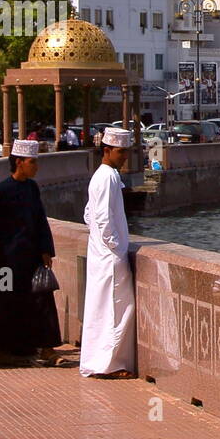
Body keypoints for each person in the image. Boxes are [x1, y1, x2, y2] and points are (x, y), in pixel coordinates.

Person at [0, 139, 63, 366]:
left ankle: (47, 349)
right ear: (19, 162)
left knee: (42, 300)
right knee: (9, 303)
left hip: (31, 261)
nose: (36, 167)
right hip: (6, 264)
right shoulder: (0, 191)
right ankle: (8, 351)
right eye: (32, 162)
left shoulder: (32, 188)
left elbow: (40, 220)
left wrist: (46, 250)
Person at [79, 127, 136, 380]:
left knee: (102, 308)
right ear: (107, 151)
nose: (124, 156)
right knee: (116, 309)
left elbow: (88, 214)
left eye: (126, 151)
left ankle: (101, 362)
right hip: (110, 256)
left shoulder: (103, 176)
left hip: (102, 254)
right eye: (121, 152)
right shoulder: (107, 177)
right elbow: (100, 218)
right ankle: (109, 364)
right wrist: (116, 248)